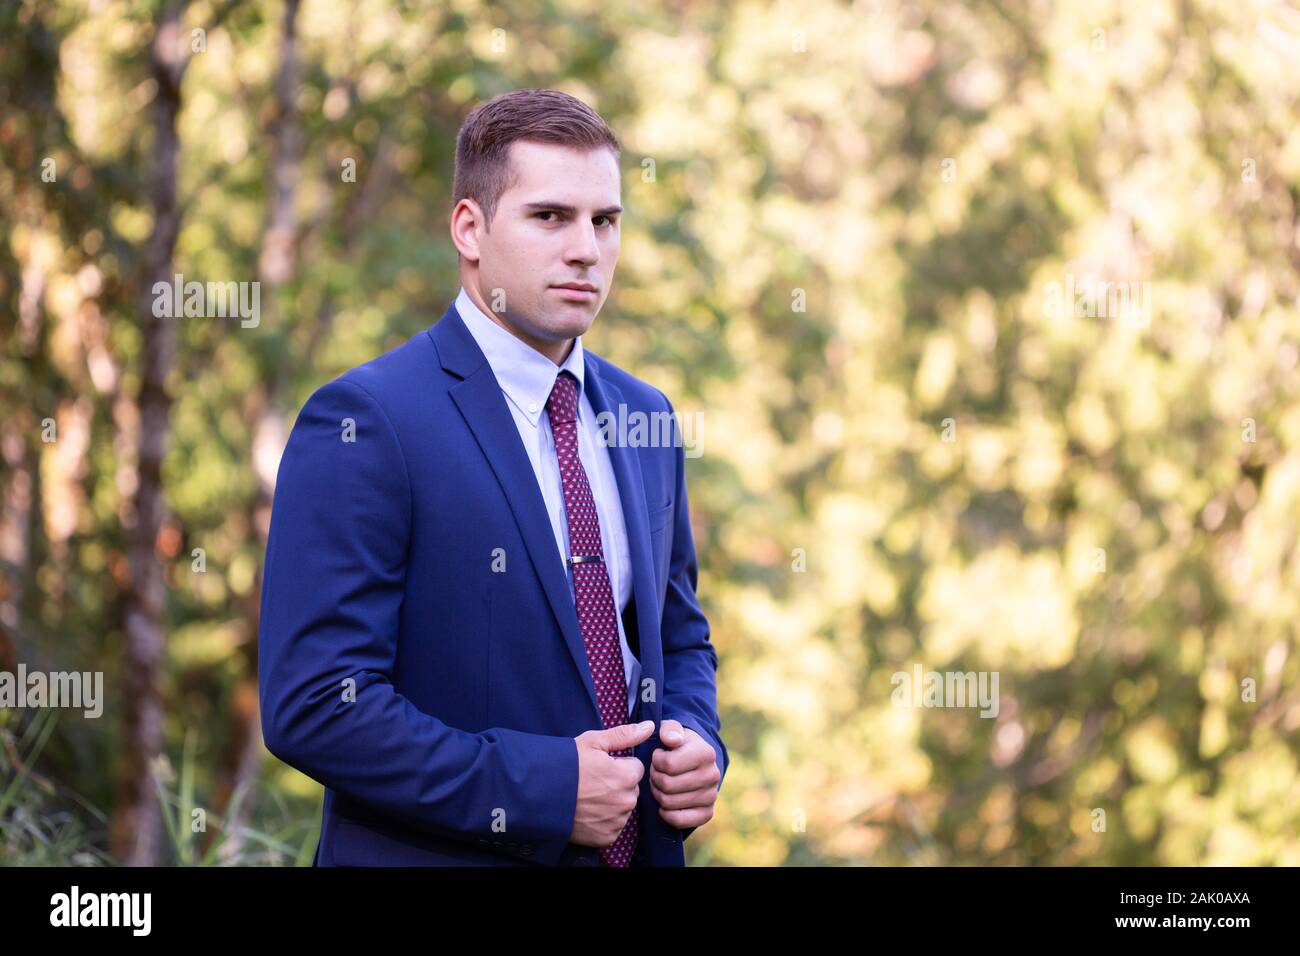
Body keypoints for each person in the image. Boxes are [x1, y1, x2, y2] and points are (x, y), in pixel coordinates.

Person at [257, 88, 727, 866]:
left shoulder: (646, 418)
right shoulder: (367, 422)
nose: (586, 248)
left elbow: (679, 633)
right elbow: (314, 705)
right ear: (469, 229)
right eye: (551, 217)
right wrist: (537, 789)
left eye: (604, 221)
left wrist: (697, 740)